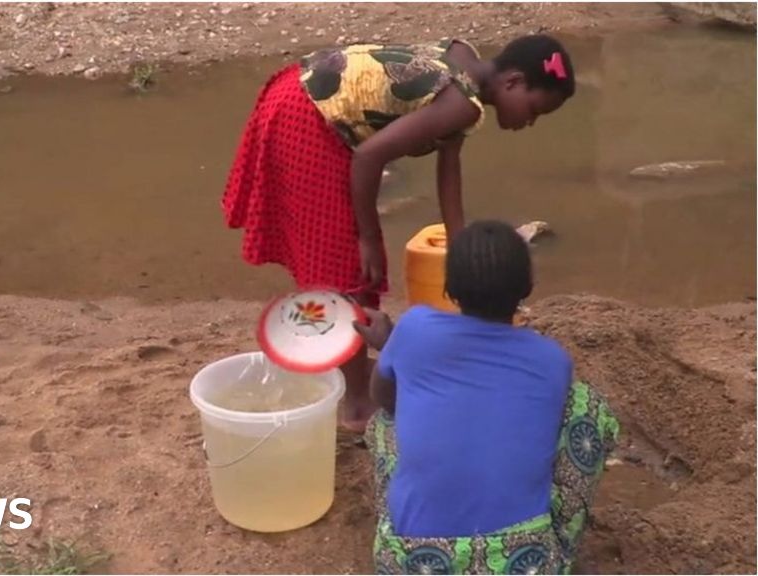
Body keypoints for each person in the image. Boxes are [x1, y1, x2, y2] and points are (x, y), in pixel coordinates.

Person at [222, 35, 576, 432]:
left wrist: (458, 249)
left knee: (338, 260)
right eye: (533, 110)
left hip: (298, 90)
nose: (529, 122)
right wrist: (369, 237)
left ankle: (347, 367)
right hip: (308, 120)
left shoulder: (464, 63)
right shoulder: (461, 102)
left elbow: (449, 167)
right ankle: (357, 403)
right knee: (348, 267)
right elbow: (368, 156)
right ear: (512, 82)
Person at [352, 221, 619, 574]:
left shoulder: (414, 328)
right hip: (521, 561)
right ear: (527, 287)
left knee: (386, 421)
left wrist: (391, 346)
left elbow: (384, 399)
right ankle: (561, 545)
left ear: (448, 287)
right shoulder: (552, 359)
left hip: (415, 561)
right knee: (584, 407)